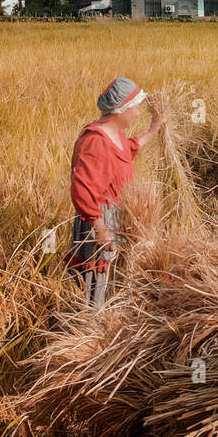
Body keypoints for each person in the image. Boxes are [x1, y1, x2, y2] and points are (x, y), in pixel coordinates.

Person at [67, 77, 164, 307]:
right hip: (100, 219)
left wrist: (152, 132)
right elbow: (82, 189)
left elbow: (124, 153)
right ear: (121, 110)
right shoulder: (95, 142)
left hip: (115, 217)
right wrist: (100, 229)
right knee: (98, 279)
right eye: (135, 107)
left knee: (113, 279)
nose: (138, 113)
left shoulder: (115, 134)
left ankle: (108, 321)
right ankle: (91, 330)